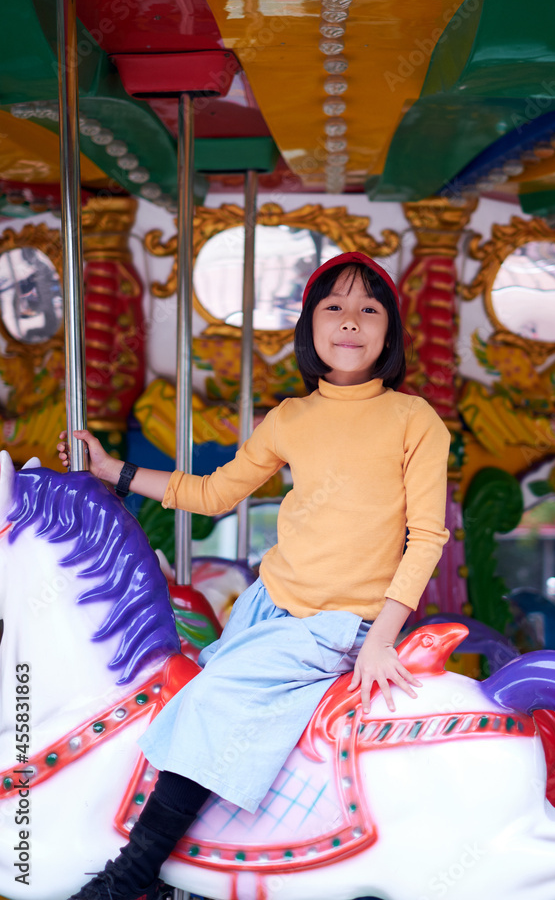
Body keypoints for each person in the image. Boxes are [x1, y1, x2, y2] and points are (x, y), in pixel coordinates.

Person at [57, 251, 450, 900]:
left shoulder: (413, 420)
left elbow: (427, 536)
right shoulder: (292, 418)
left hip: (341, 622)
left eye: (368, 309)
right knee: (176, 683)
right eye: (334, 307)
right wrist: (113, 472)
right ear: (309, 326)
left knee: (213, 702)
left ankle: (135, 874)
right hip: (268, 606)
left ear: (389, 333)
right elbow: (213, 495)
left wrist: (380, 637)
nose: (350, 321)